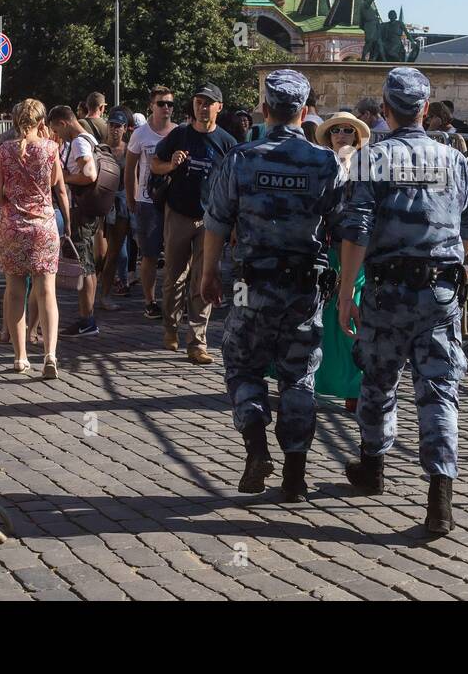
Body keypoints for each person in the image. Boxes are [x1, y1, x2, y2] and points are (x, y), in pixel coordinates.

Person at [337, 67, 468, 535]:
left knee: (378, 381)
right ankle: (440, 496)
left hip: (387, 290)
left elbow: (356, 228)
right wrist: (449, 263)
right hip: (440, 292)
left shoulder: (371, 158)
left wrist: (346, 294)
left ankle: (372, 467)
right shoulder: (453, 158)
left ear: (384, 110)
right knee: (439, 391)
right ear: (424, 108)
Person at [201, 70, 346, 503]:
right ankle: (295, 475)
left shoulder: (242, 159)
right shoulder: (325, 163)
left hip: (251, 285)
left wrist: (208, 273)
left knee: (242, 365)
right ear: (303, 112)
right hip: (305, 287)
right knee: (299, 376)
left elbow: (216, 221)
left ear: (265, 110)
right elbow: (342, 227)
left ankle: (256, 447)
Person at [151, 83, 237, 364]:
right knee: (174, 277)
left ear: (218, 107)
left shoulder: (227, 143)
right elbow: (155, 165)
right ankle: (170, 327)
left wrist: (233, 223)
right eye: (199, 102)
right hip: (177, 214)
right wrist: (171, 164)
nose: (202, 107)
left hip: (211, 221)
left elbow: (235, 185)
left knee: (203, 278)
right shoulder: (179, 135)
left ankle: (197, 341)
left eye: (208, 102)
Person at [0, 99, 69, 379]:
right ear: (41, 123)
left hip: (14, 226)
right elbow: (53, 184)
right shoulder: (51, 148)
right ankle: (50, 354)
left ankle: (20, 356)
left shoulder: (5, 150)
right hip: (44, 227)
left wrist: (13, 203)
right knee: (46, 290)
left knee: (15, 290)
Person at [313, 111, 371, 408]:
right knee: (324, 315)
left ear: (356, 136)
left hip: (357, 248)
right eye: (336, 130)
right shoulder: (322, 165)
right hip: (328, 247)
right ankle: (318, 379)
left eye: (347, 130)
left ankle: (354, 386)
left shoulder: (366, 167)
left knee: (352, 310)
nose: (341, 134)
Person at [48, 105, 102, 337]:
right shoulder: (88, 137)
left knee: (85, 264)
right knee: (87, 263)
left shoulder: (80, 142)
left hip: (81, 209)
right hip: (89, 208)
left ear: (63, 123)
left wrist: (64, 179)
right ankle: (86, 317)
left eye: (56, 130)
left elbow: (89, 174)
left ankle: (87, 319)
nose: (57, 136)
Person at [125, 87, 177, 320]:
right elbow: (130, 168)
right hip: (147, 200)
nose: (166, 107)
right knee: (149, 254)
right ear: (151, 106)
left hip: (175, 201)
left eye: (170, 104)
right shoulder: (141, 134)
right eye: (161, 103)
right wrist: (131, 198)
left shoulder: (179, 132)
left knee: (177, 255)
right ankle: (150, 301)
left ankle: (175, 301)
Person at [96, 107, 134, 312]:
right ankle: (92, 293)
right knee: (98, 254)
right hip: (101, 204)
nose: (114, 129)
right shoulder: (99, 148)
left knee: (114, 253)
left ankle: (105, 295)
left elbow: (132, 179)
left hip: (120, 205)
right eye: (111, 125)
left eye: (118, 126)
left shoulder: (129, 150)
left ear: (124, 129)